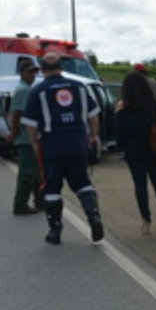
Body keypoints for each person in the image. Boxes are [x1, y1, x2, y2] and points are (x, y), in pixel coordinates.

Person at [21, 52, 104, 245]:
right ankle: (93, 216)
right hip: (77, 143)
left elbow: (31, 124)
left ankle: (55, 230)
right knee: (82, 181)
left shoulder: (38, 91)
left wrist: (34, 143)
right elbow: (94, 116)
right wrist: (93, 136)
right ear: (61, 67)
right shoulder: (80, 88)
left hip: (52, 144)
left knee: (52, 186)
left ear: (42, 69)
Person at [116, 71, 156, 234]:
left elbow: (120, 135)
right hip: (154, 149)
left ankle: (146, 220)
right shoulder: (153, 105)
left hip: (133, 152)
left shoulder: (123, 108)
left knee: (140, 185)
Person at [9, 58, 42, 215]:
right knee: (28, 173)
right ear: (22, 73)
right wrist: (14, 132)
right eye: (29, 72)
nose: (33, 75)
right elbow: (18, 113)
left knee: (36, 172)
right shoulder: (24, 90)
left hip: (28, 137)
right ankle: (21, 204)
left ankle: (40, 201)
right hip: (25, 137)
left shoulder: (26, 88)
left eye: (34, 72)